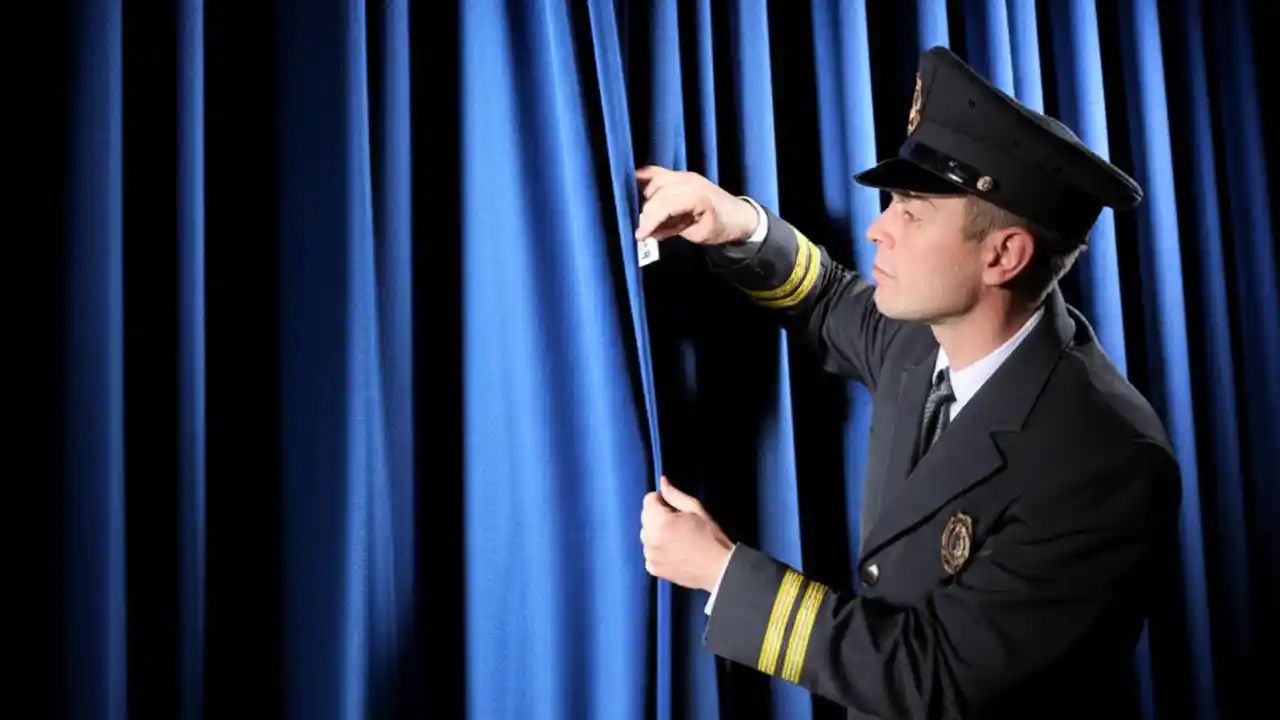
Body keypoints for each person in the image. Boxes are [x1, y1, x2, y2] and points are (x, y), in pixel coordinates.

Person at [636, 46, 1181, 719]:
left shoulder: (1105, 462)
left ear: (1003, 255)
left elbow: (935, 678)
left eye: (912, 213)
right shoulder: (925, 337)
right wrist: (735, 224)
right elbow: (828, 300)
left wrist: (722, 573)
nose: (877, 228)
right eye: (892, 201)